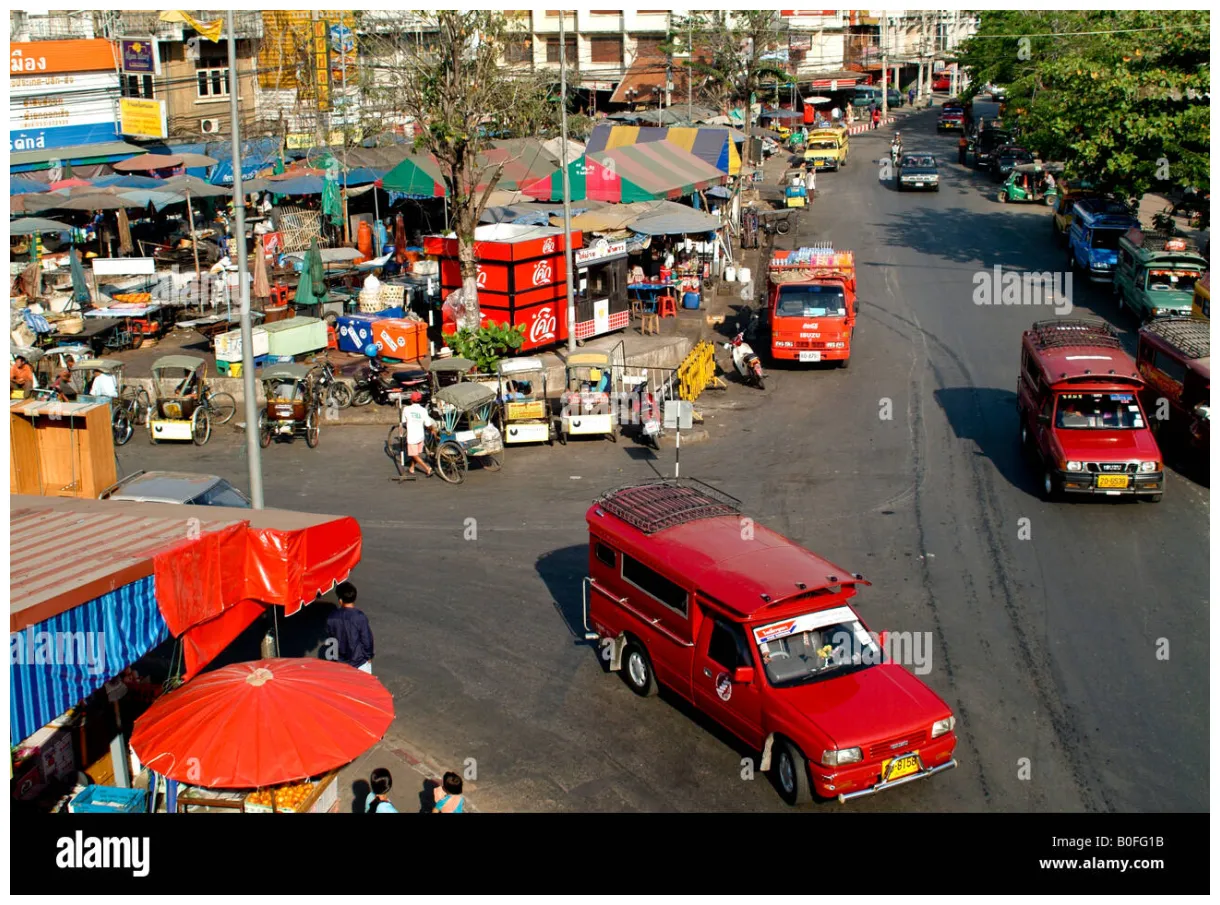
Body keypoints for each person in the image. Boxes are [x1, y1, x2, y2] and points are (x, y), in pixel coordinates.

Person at [325, 581, 375, 673]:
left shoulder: (332, 617)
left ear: (340, 600)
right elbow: (367, 639)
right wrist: (369, 656)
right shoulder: (359, 617)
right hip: (359, 662)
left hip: (340, 662)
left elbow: (331, 639)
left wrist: (332, 659)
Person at [401, 400, 435, 477]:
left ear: (411, 400)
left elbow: (403, 421)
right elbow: (428, 424)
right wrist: (432, 429)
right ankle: (412, 468)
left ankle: (427, 468)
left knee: (414, 455)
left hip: (412, 436)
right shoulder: (423, 410)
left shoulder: (406, 409)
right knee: (416, 454)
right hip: (420, 436)